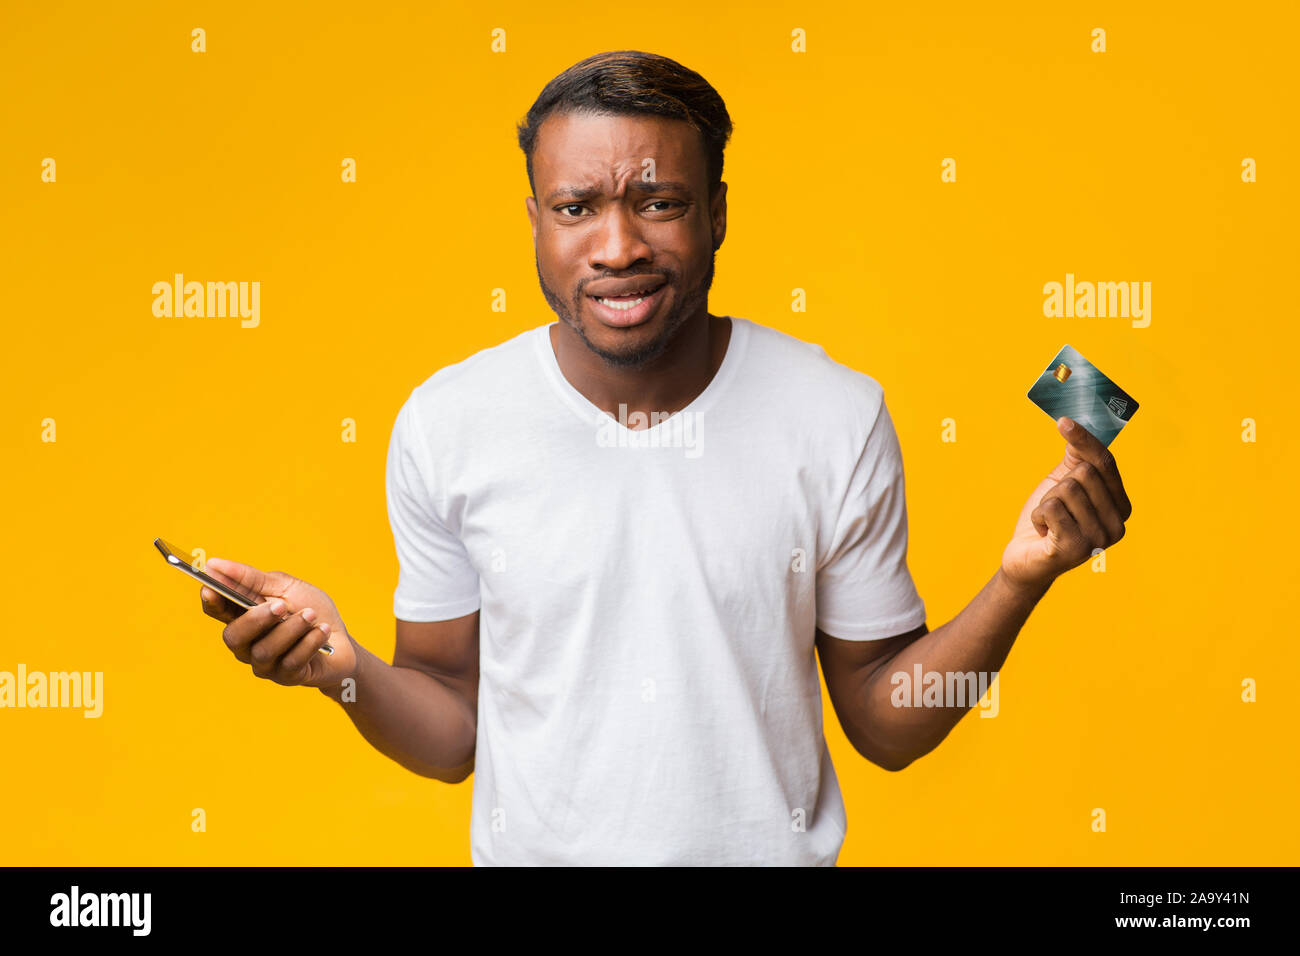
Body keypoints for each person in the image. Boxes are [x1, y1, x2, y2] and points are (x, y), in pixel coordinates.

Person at [199, 50, 1132, 866]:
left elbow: (886, 723)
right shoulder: (450, 422)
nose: (617, 247)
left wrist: (1021, 579)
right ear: (535, 219)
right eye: (577, 208)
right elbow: (452, 732)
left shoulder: (833, 414)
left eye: (659, 203)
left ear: (718, 214)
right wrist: (343, 668)